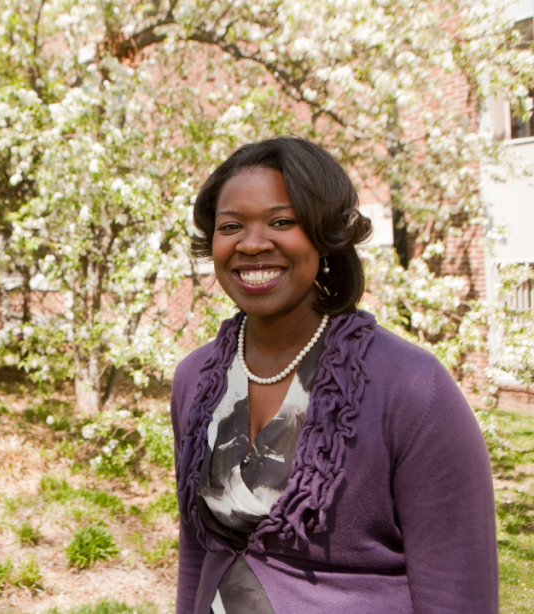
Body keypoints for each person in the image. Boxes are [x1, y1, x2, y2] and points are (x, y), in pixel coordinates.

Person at [170, 138, 498, 614]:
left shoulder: (411, 388)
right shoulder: (196, 381)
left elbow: (458, 594)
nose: (253, 243)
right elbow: (199, 552)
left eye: (282, 221)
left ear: (325, 237)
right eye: (231, 226)